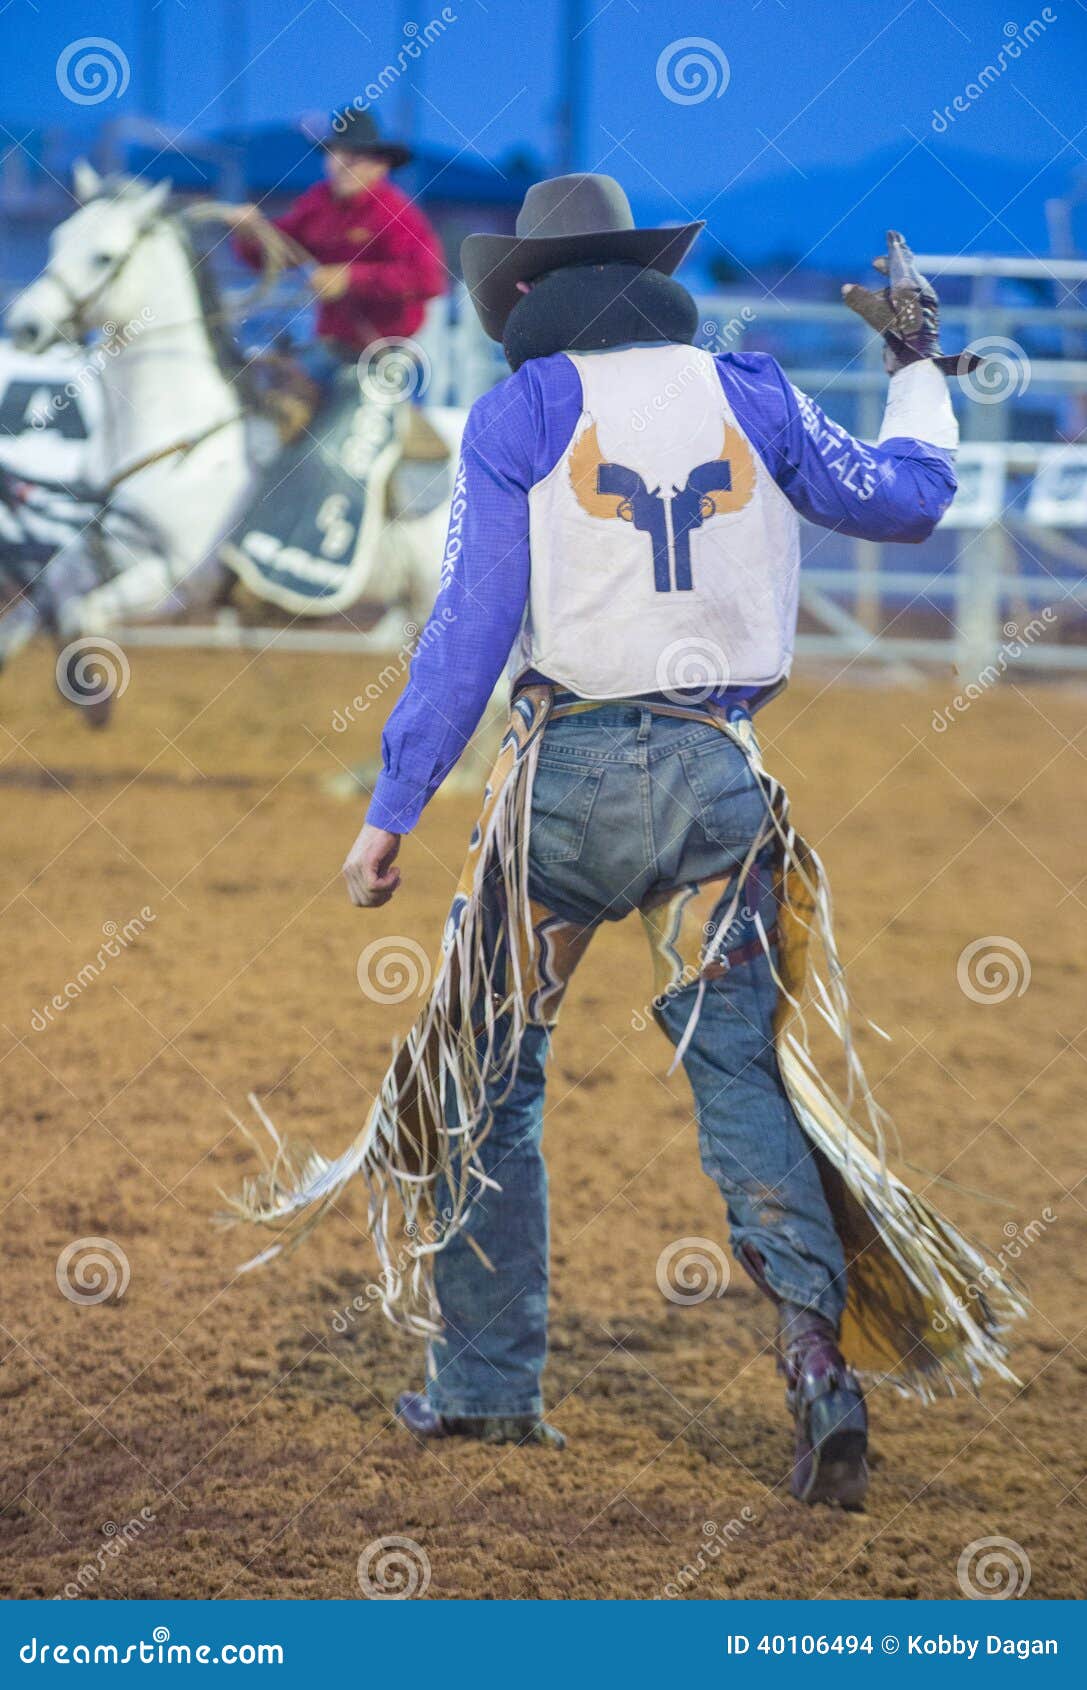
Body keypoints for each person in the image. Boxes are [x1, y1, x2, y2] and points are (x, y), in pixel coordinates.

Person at [236, 176, 1024, 1508]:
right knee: (741, 1082)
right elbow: (901, 501)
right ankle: (815, 1366)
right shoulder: (755, 393)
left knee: (490, 1066)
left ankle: (487, 1389)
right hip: (717, 786)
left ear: (534, 294)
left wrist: (393, 806)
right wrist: (909, 366)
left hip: (556, 789)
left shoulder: (522, 410)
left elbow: (467, 629)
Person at [228, 105, 445, 391]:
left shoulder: (396, 214)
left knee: (346, 413)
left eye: (351, 157)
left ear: (380, 165)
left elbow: (428, 278)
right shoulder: (318, 203)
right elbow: (273, 253)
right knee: (270, 392)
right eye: (333, 154)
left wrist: (349, 279)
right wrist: (250, 234)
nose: (337, 165)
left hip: (384, 356)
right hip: (331, 349)